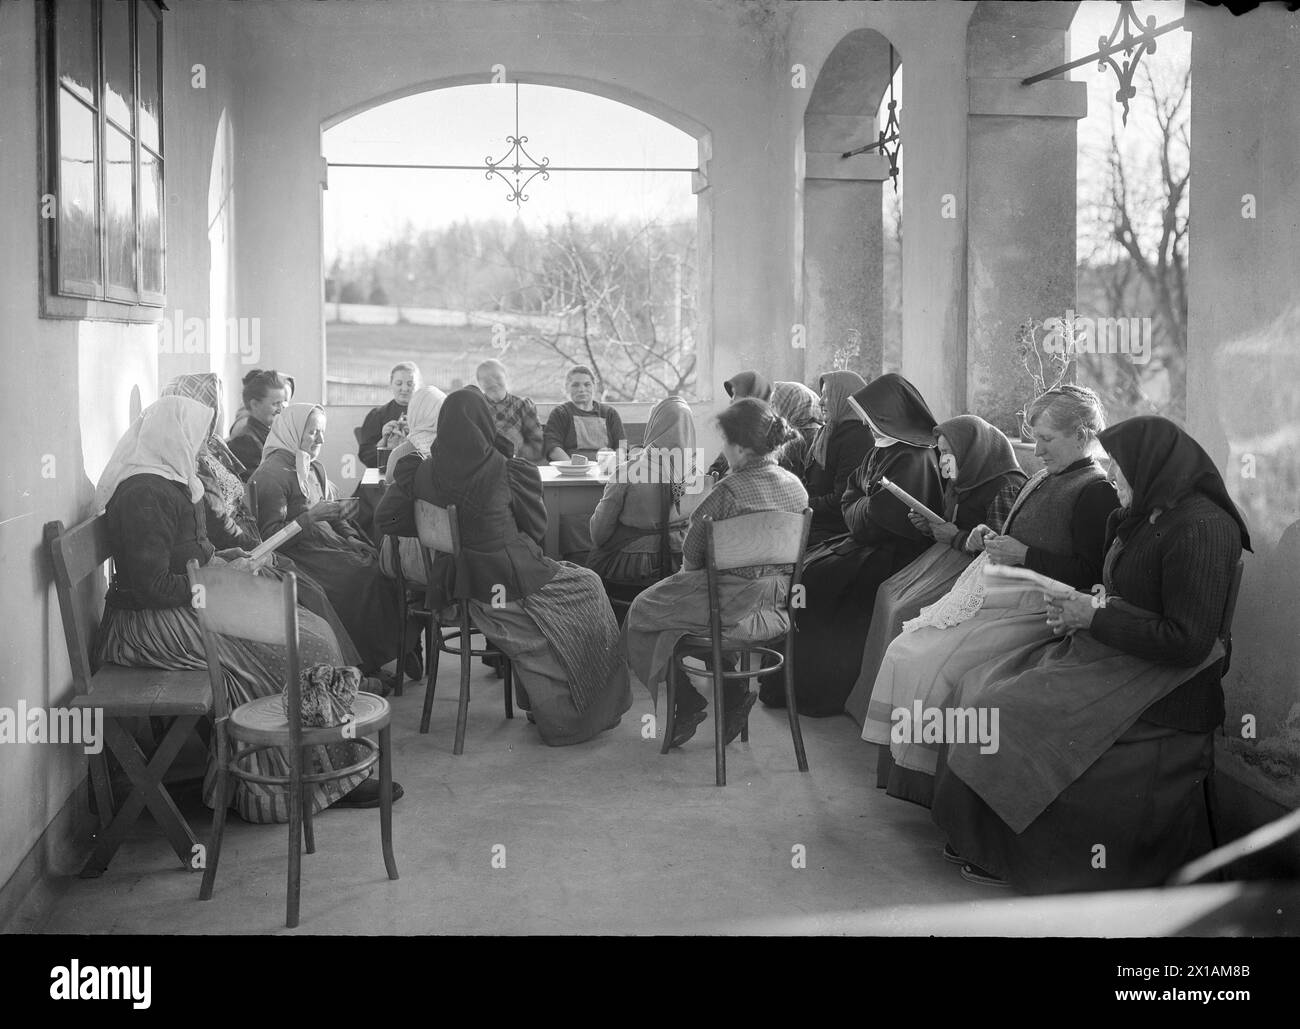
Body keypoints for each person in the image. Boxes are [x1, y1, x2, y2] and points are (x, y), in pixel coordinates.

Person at [932, 416, 1250, 893]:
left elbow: (1188, 642)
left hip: (1166, 680)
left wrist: (1094, 617)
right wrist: (1081, 610)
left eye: (1119, 468)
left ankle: (1006, 851)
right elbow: (1123, 591)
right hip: (1116, 652)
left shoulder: (1202, 528)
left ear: (1153, 468)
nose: (1112, 476)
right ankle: (980, 835)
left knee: (1002, 711)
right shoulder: (1147, 513)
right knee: (977, 682)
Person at [93, 396, 401, 822]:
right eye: (199, 439)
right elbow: (152, 587)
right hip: (150, 626)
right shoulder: (145, 493)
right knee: (285, 650)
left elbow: (185, 557)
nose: (204, 450)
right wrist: (218, 575)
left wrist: (227, 558)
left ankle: (327, 769)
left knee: (308, 630)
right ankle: (304, 780)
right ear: (174, 436)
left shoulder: (169, 480)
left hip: (182, 605)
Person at [860, 385, 1119, 806]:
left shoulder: (1095, 492)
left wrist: (1026, 554)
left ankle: (932, 782)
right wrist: (991, 539)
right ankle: (907, 772)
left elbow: (1094, 577)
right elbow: (1023, 537)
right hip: (1006, 597)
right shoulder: (1043, 477)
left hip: (1040, 612)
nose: (1038, 449)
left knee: (936, 664)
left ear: (1084, 434)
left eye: (1047, 439)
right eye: (1035, 438)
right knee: (908, 649)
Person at [379, 388, 632, 746]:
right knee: (589, 584)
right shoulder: (508, 469)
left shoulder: (422, 473)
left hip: (457, 587)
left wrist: (439, 532)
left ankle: (543, 701)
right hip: (509, 583)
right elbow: (537, 529)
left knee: (578, 581)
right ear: (485, 422)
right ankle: (576, 713)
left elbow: (388, 518)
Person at [623, 399, 809, 749]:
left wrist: (685, 582)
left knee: (643, 612)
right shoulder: (796, 487)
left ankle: (689, 702)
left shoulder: (727, 491)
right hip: (778, 608)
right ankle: (734, 692)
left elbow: (692, 555)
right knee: (690, 615)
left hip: (731, 606)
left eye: (724, 442)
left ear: (738, 447)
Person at [160, 373, 364, 668]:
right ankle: (340, 674)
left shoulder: (211, 450)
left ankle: (348, 670)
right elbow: (220, 525)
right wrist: (259, 549)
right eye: (205, 409)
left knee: (322, 585)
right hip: (232, 561)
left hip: (247, 548)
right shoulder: (189, 467)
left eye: (213, 408)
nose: (212, 417)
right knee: (314, 594)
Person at [770, 373, 944, 717]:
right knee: (804, 571)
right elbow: (853, 497)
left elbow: (876, 516)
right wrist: (861, 503)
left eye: (871, 418)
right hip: (863, 541)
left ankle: (819, 692)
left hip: (894, 552)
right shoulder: (882, 448)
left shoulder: (914, 456)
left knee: (817, 582)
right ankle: (787, 686)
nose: (867, 425)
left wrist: (860, 504)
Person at [842, 415, 1026, 725]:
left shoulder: (1005, 486)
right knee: (888, 593)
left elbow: (996, 552)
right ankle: (872, 709)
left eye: (948, 452)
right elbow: (951, 524)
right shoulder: (964, 478)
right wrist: (929, 526)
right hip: (945, 558)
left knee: (905, 609)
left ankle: (897, 720)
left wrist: (952, 535)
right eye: (940, 452)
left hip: (972, 574)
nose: (942, 460)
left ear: (972, 450)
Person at [248, 403, 419, 682]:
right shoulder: (270, 475)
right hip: (300, 555)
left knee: (378, 562)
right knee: (358, 579)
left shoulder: (311, 467)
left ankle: (395, 646)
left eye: (322, 432)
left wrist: (351, 537)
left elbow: (333, 510)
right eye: (313, 432)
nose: (321, 440)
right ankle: (364, 665)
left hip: (328, 544)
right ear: (291, 432)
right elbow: (270, 539)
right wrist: (309, 519)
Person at [586, 396, 708, 587]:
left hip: (633, 569)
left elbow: (599, 534)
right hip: (682, 569)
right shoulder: (698, 472)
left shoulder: (628, 471)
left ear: (653, 426)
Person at [706, 371, 823, 477]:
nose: (732, 401)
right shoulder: (746, 426)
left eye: (736, 394)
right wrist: (714, 473)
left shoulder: (790, 438)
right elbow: (724, 457)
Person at [803, 370, 874, 545]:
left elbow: (841, 499)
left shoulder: (856, 438)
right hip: (814, 522)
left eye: (827, 396)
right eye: (821, 395)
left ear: (845, 398)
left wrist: (801, 505)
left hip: (834, 532)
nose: (820, 402)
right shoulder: (828, 432)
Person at [543, 365, 626, 461]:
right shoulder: (561, 413)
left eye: (587, 384)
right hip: (571, 471)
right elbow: (552, 447)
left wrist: (616, 461)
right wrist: (572, 467)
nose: (581, 389)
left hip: (605, 469)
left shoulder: (609, 413)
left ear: (594, 386)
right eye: (575, 385)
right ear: (567, 388)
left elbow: (621, 444)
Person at [226, 369, 291, 477]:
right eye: (275, 404)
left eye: (282, 403)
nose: (281, 409)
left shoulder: (273, 434)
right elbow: (259, 488)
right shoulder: (245, 443)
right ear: (255, 405)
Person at [477, 358, 544, 463]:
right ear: (479, 383)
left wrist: (516, 457)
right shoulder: (476, 408)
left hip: (518, 464)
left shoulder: (522, 405)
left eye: (497, 377)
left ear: (506, 377)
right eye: (486, 380)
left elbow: (537, 445)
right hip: (486, 465)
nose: (493, 383)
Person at [357, 362, 421, 469]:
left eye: (410, 384)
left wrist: (413, 439)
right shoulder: (377, 415)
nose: (404, 389)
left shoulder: (426, 415)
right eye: (399, 383)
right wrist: (383, 443)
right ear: (391, 384)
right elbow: (365, 456)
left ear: (417, 385)